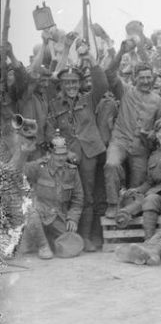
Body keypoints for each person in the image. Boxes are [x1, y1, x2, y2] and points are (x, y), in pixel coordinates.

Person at [45, 65, 108, 251]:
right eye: (66, 83)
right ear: (61, 85)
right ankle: (68, 237)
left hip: (89, 153)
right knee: (67, 195)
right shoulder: (54, 104)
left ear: (80, 83)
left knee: (88, 195)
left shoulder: (89, 98)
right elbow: (50, 132)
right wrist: (65, 151)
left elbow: (102, 83)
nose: (71, 86)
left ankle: (86, 237)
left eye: (74, 82)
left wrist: (90, 60)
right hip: (66, 156)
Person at [104, 39, 161, 219]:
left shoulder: (158, 101)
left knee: (137, 187)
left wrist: (152, 134)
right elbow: (108, 72)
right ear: (134, 78)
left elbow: (160, 128)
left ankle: (128, 215)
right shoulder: (125, 90)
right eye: (142, 77)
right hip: (120, 141)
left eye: (149, 77)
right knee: (112, 164)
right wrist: (121, 51)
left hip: (141, 148)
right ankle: (113, 204)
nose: (146, 81)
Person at [18, 132, 84, 259]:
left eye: (64, 154)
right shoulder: (39, 167)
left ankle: (45, 242)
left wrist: (73, 218)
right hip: (39, 212)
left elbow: (78, 199)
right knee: (31, 210)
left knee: (72, 244)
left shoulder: (72, 171)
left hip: (58, 217)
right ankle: (43, 246)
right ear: (49, 154)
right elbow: (18, 169)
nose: (61, 158)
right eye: (57, 154)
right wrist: (23, 153)